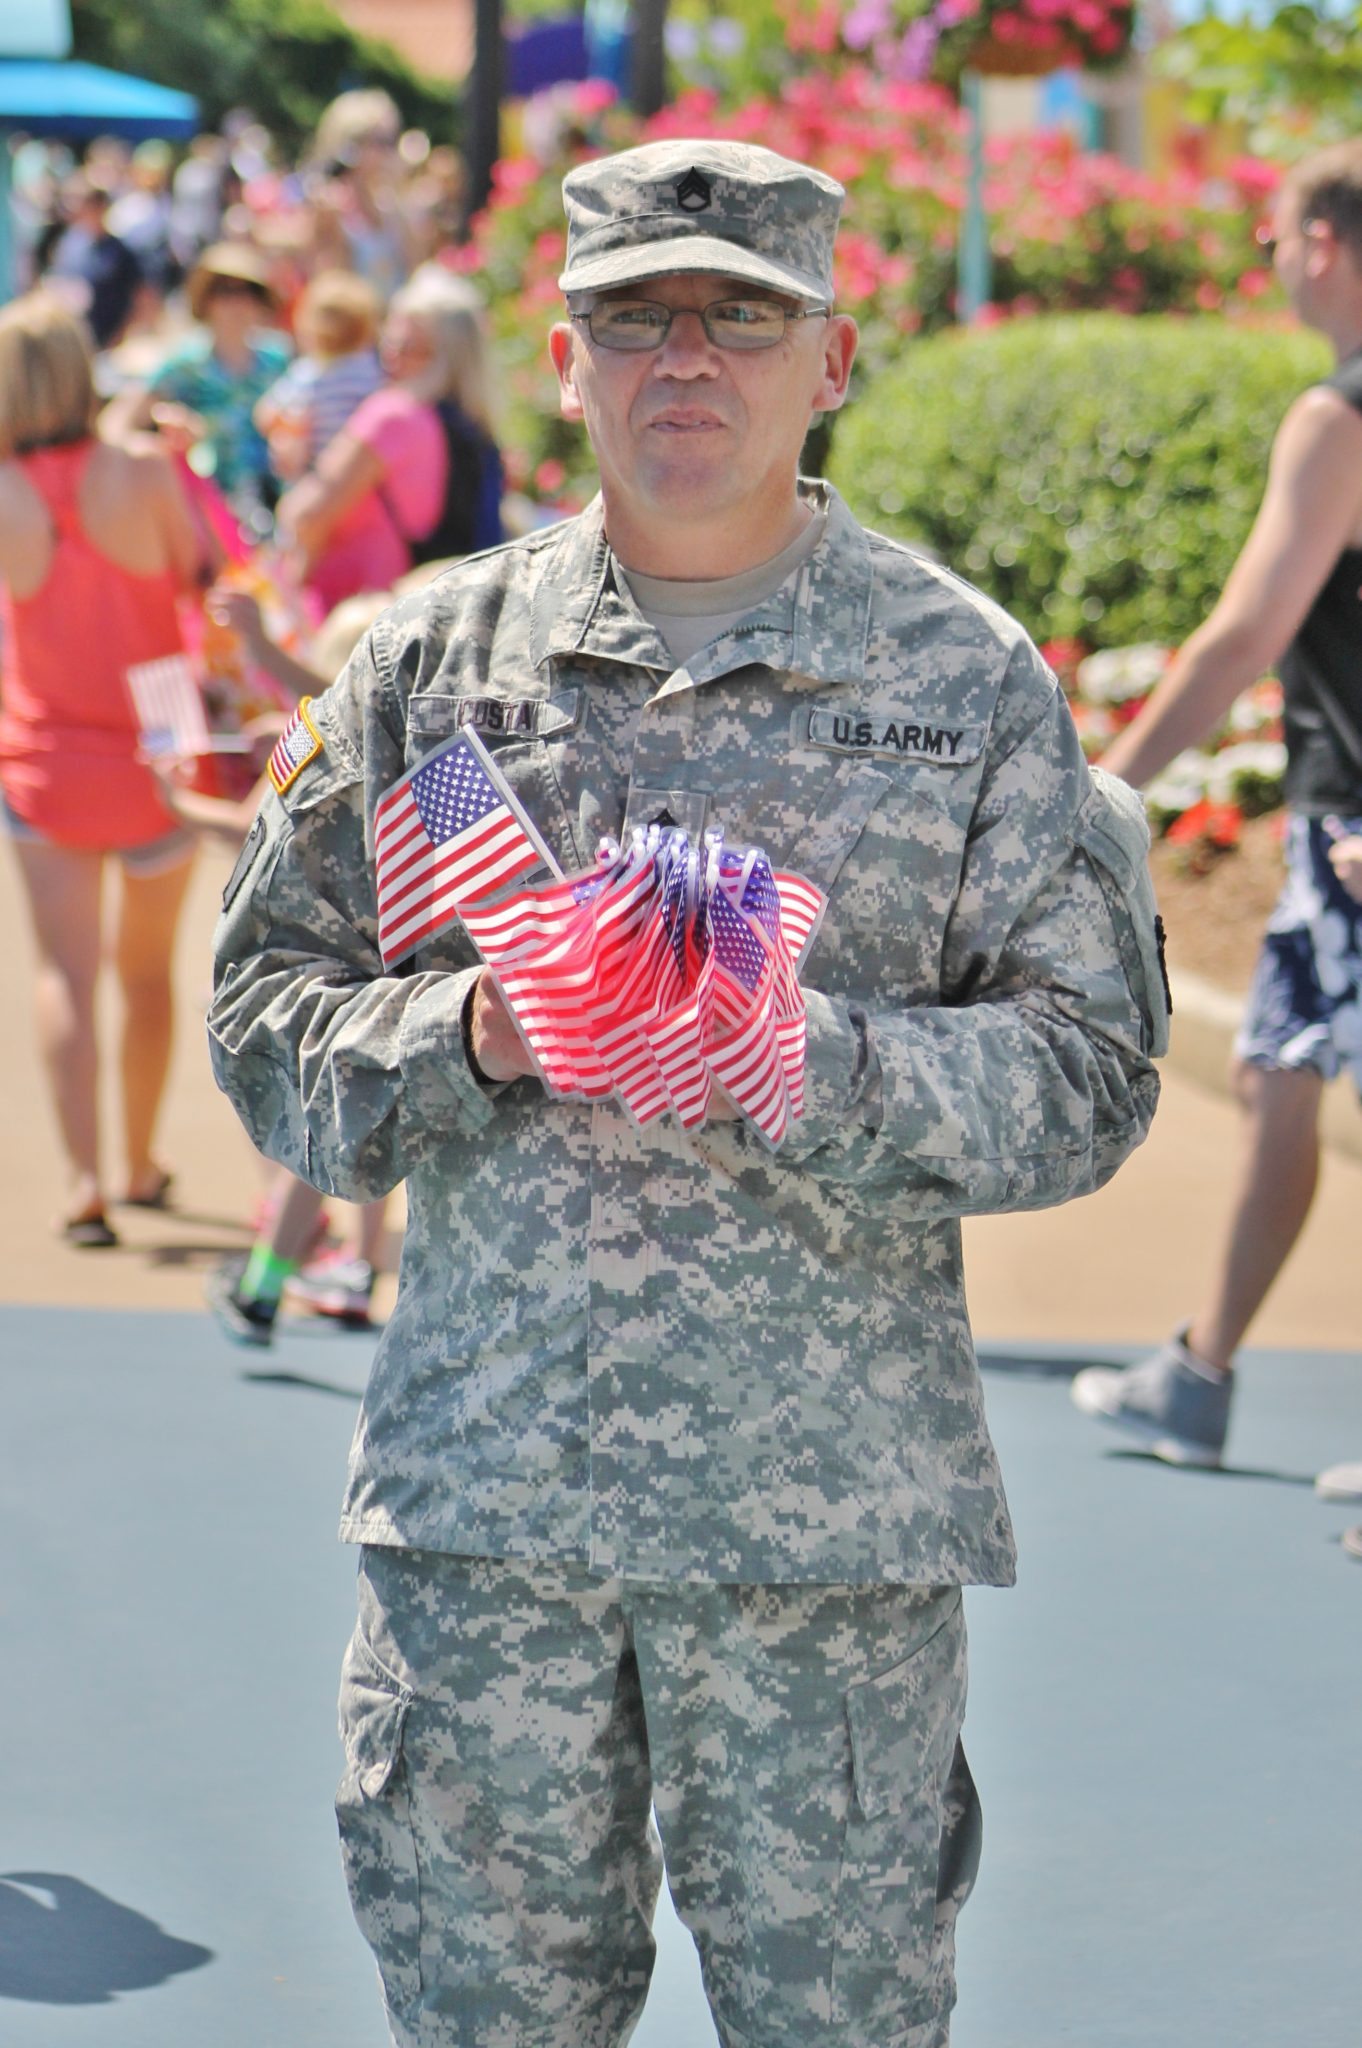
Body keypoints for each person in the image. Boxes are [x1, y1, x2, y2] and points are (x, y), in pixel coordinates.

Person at [208, 140, 1165, 2047]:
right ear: (564, 361)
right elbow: (263, 1023)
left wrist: (824, 1059)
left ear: (832, 360)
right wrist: (468, 1034)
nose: (688, 357)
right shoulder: (432, 663)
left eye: (742, 314)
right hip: (491, 1520)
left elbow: (1089, 1071)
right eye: (636, 317)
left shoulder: (963, 680)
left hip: (823, 1545)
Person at [1068, 139, 1362, 1508]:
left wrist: (1104, 791)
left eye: (1275, 239)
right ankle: (1202, 1367)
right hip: (1332, 828)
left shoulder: (1337, 419)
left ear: (1324, 244)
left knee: (1284, 1077)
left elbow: (1245, 630)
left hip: (1349, 828)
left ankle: (1201, 1368)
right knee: (1275, 1077)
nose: (1271, 264)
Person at [0, 293, 210, 1246]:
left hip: (46, 754)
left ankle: (83, 1181)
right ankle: (137, 1162)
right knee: (147, 974)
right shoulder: (145, 471)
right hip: (156, 747)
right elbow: (201, 573)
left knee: (64, 973)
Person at [275, 264, 502, 614]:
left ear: (442, 356)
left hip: (360, 607)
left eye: (405, 346)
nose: (389, 356)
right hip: (434, 604)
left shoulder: (393, 415)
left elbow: (306, 515)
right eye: (388, 341)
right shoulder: (473, 430)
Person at [103, 241, 290, 522]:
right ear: (206, 299)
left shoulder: (277, 359)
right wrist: (162, 442)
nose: (237, 303)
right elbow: (117, 424)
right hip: (208, 506)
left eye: (247, 291)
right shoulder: (185, 365)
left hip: (273, 501)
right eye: (224, 292)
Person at [254, 269, 385, 485]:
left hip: (319, 480)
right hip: (364, 481)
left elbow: (265, 415)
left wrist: (288, 427)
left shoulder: (308, 373)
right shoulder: (374, 370)